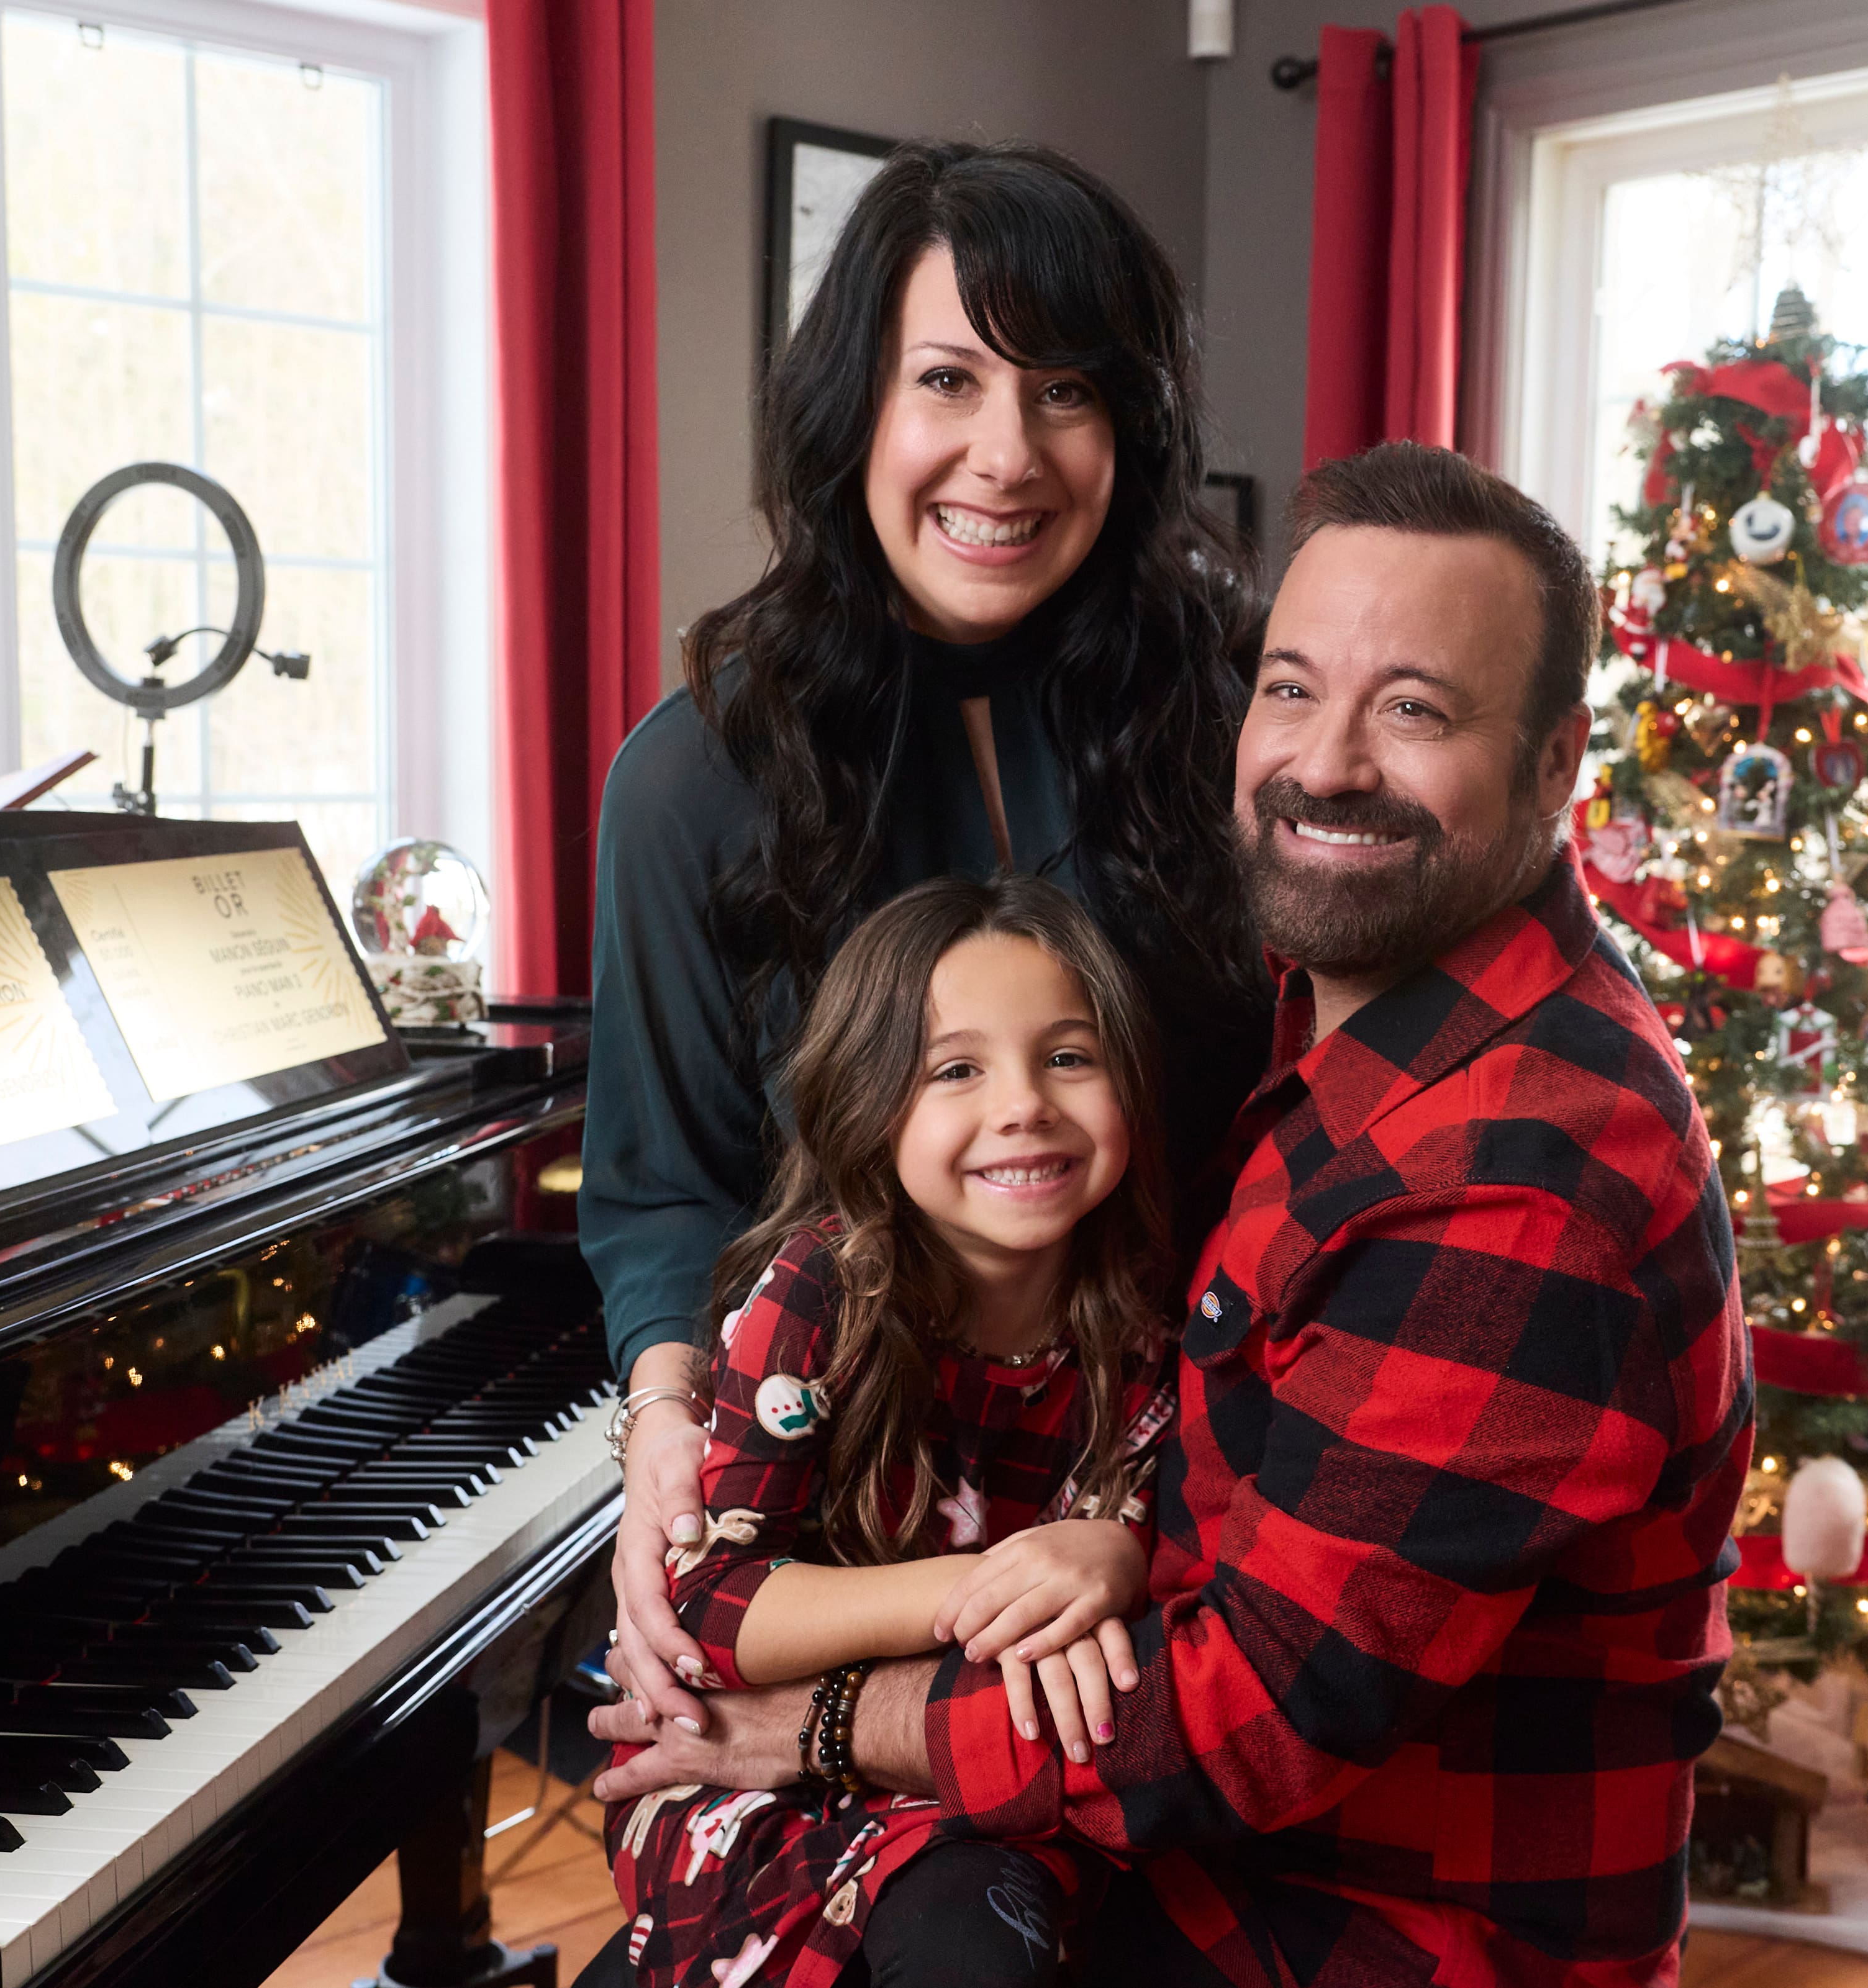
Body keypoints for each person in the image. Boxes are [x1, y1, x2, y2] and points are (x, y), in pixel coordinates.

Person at [590, 442, 1756, 1987]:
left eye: (1414, 707)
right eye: (1289, 689)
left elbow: (1252, 1722)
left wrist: (813, 1726)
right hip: (1185, 1854)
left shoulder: (1531, 1162)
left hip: (1365, 1931)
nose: (1326, 760)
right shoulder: (1334, 1024)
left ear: (1556, 762)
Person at [580, 140, 1269, 1738]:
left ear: (1133, 430)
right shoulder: (689, 779)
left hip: (1180, 1513)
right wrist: (667, 1429)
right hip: (848, 1531)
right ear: (854, 413)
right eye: (948, 379)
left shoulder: (1236, 726)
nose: (1006, 454)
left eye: (1068, 390)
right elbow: (662, 1184)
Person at [602, 874, 1176, 1988]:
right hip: (750, 1773)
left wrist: (1118, 1553)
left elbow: (1128, 1581)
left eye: (1068, 1056)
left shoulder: (1146, 1320)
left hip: (973, 1770)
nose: (1024, 1105)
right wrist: (990, 1583)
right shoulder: (820, 1290)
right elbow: (712, 1608)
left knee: (983, 1940)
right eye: (955, 1069)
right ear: (869, 1104)